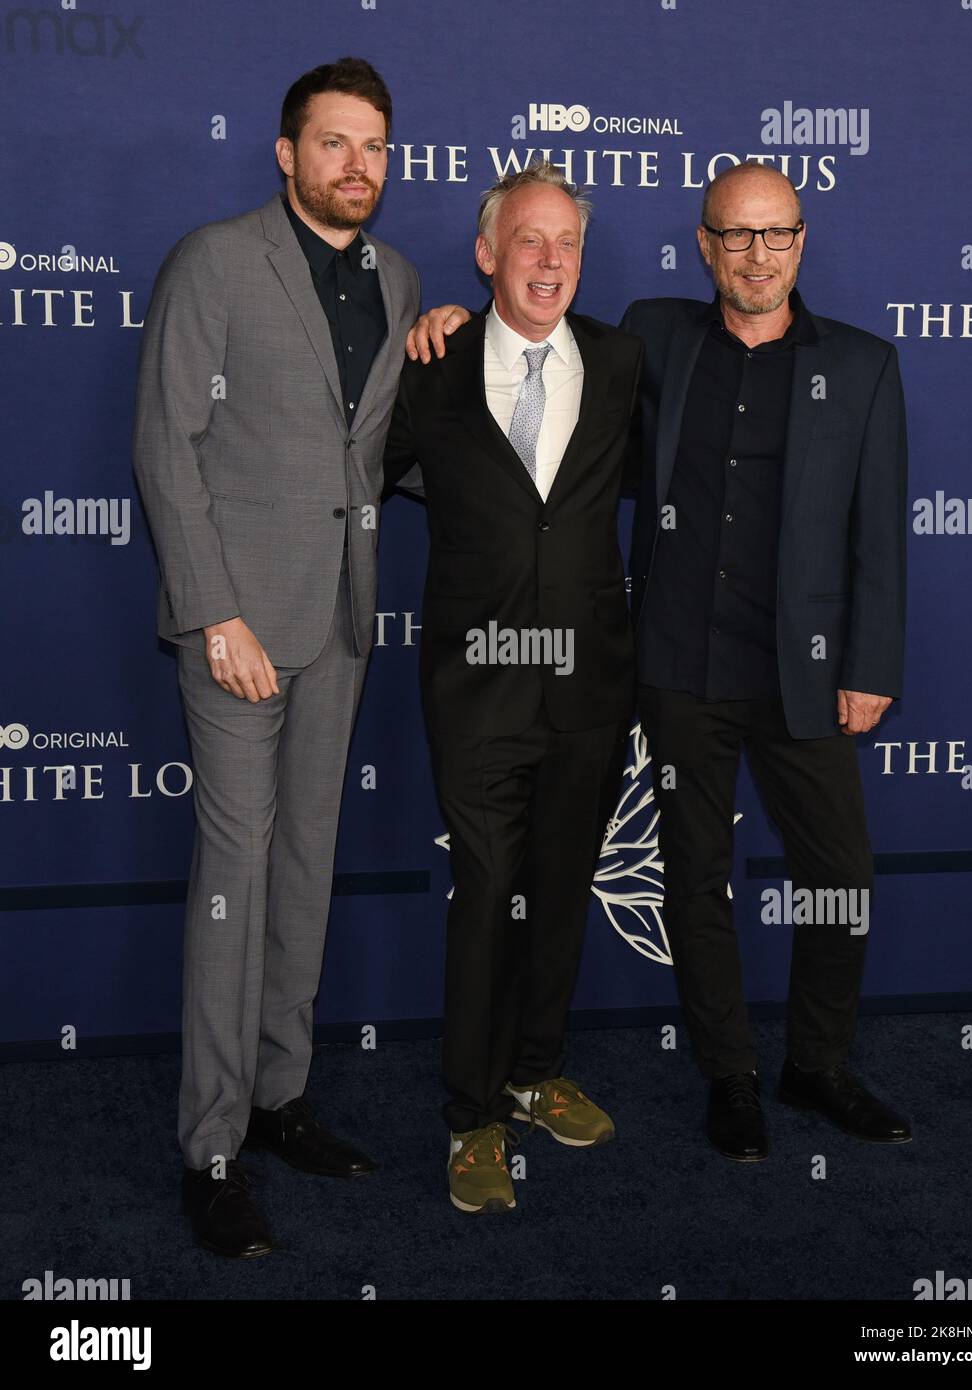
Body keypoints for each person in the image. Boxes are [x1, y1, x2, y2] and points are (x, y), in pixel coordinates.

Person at [408, 162, 910, 1164]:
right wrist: (451, 326)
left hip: (805, 671)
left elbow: (879, 533)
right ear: (703, 245)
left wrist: (871, 663)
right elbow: (527, 360)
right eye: (735, 235)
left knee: (840, 877)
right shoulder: (654, 339)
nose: (756, 255)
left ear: (800, 242)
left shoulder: (860, 366)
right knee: (694, 880)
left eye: (775, 234)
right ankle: (729, 1076)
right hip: (678, 665)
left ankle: (816, 1064)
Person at [132, 56, 420, 1257]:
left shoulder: (398, 280)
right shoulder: (215, 260)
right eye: (334, 142)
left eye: (375, 146)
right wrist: (216, 614)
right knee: (234, 882)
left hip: (341, 619)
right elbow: (167, 444)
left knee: (305, 867)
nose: (357, 164)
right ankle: (210, 1150)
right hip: (238, 633)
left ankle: (278, 1095)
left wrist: (449, 346)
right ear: (287, 153)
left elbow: (377, 451)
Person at [384, 161, 642, 1213]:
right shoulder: (431, 367)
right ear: (486, 254)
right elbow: (352, 478)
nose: (549, 260)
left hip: (588, 686)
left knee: (562, 886)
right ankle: (472, 1114)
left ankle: (536, 1072)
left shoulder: (621, 362)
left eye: (566, 243)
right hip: (477, 687)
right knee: (488, 894)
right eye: (527, 240)